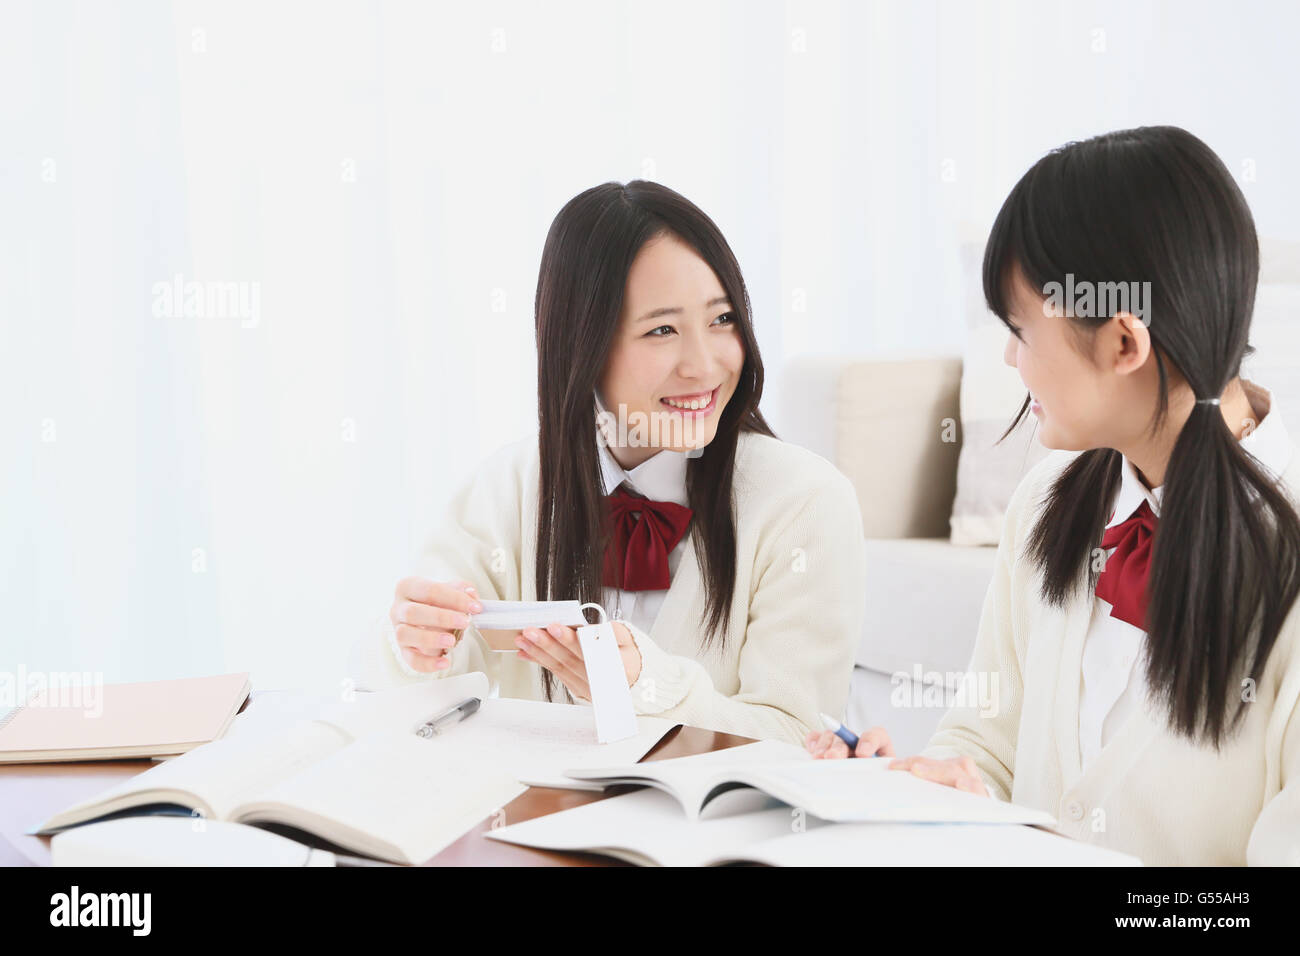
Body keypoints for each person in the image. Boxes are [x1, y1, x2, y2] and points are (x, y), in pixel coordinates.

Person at [807, 126, 1300, 865]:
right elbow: (985, 742)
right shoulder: (1046, 503)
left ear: (1124, 344)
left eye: (1020, 329)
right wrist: (929, 791)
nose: (1009, 357)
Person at [349, 180, 866, 745]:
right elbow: (423, 692)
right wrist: (417, 646)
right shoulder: (507, 488)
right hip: (537, 819)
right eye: (663, 329)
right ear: (584, 346)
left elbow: (797, 737)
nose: (704, 364)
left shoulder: (806, 503)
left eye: (722, 320)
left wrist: (648, 686)